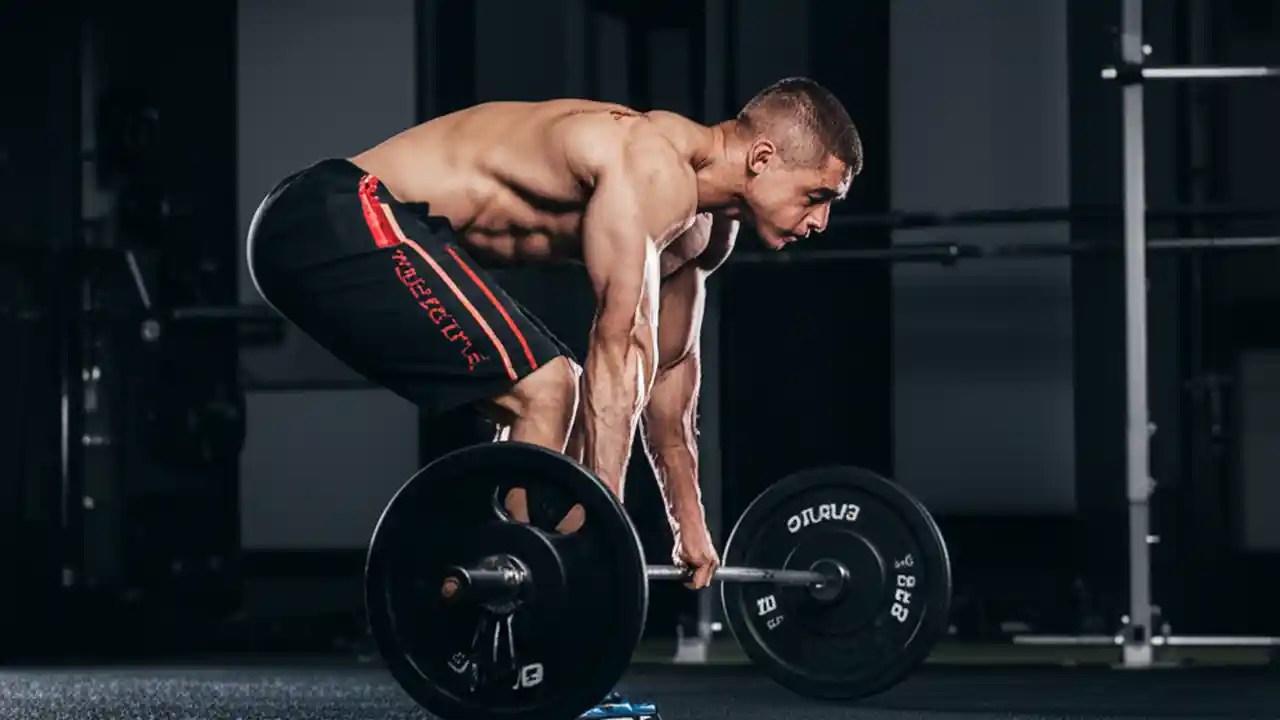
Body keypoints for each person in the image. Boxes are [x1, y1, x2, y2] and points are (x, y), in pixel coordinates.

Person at [246, 76, 862, 592]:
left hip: (365, 230)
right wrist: (607, 529)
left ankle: (505, 599)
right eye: (817, 196)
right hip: (331, 212)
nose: (822, 221)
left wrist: (689, 522)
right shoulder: (650, 161)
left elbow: (669, 377)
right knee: (549, 386)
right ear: (761, 158)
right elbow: (619, 346)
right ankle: (512, 586)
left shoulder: (706, 232)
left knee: (547, 403)